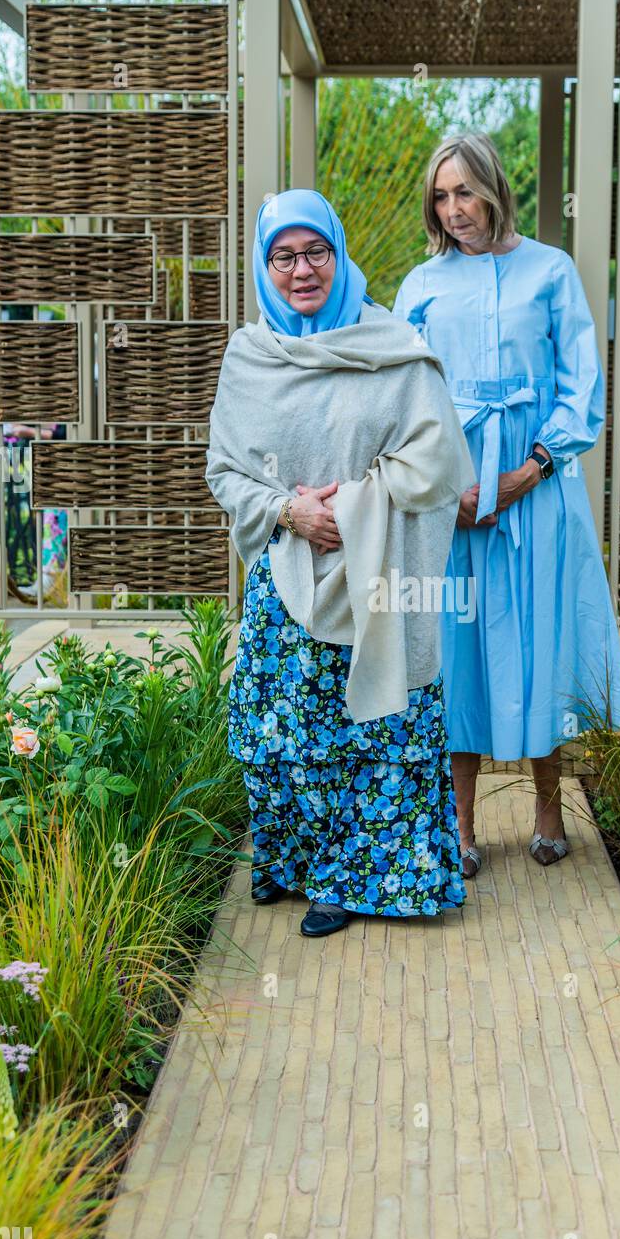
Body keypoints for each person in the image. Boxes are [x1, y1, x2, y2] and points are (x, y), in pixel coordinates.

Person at [206, 189, 476, 937]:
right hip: (287, 574)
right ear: (264, 266)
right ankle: (292, 865)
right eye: (283, 255)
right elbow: (225, 472)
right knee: (285, 736)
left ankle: (352, 883)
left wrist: (354, 509)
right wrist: (291, 512)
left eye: (315, 251)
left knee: (371, 731)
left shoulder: (392, 345)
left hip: (376, 580)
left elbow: (438, 459)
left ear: (339, 252)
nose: (301, 270)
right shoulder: (249, 355)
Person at [392, 133, 620, 878]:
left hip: (537, 493)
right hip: (452, 498)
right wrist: (444, 489)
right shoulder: (420, 284)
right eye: (441, 195)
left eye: (465, 191)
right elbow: (402, 396)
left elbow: (580, 386)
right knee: (455, 652)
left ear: (493, 188)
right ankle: (460, 823)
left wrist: (527, 470)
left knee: (542, 642)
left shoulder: (550, 271)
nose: (454, 209)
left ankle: (546, 807)